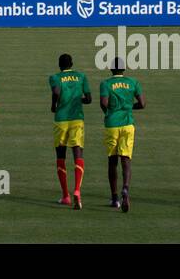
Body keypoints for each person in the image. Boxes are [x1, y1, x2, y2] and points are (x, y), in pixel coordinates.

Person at [99, 58, 145, 212]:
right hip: (128, 125)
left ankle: (114, 198)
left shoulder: (105, 83)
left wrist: (110, 112)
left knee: (112, 161)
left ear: (111, 69)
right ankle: (125, 188)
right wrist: (129, 107)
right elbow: (143, 103)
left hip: (112, 124)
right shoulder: (133, 82)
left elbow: (104, 103)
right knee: (126, 159)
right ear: (124, 69)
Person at [49, 53, 92, 208]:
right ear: (72, 64)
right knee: (77, 154)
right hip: (76, 119)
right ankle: (77, 191)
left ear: (59, 65)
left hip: (61, 120)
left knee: (61, 156)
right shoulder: (81, 76)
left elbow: (56, 92)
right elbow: (89, 99)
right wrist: (77, 99)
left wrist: (54, 104)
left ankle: (66, 195)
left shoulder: (55, 78)